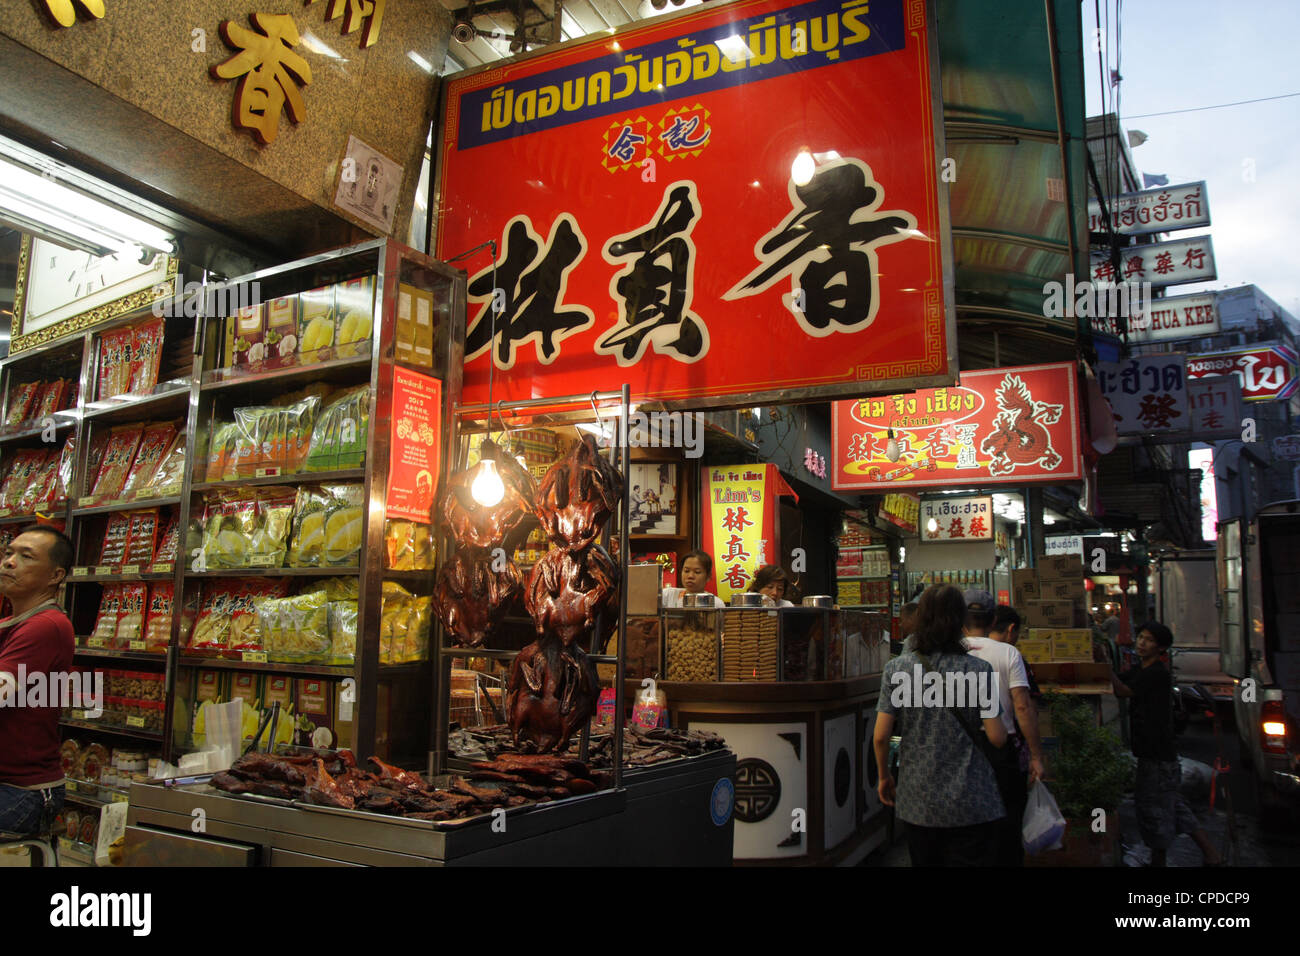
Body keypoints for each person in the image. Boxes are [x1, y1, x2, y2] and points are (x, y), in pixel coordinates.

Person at [874, 585, 1007, 866]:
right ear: (960, 621)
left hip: (918, 798)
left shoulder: (897, 669)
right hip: (972, 797)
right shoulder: (979, 670)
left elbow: (881, 736)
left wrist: (884, 775)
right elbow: (997, 737)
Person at [1107, 621, 1223, 867]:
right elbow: (1122, 679)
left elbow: (1123, 691)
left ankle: (1161, 861)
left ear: (1160, 647)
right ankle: (1211, 855)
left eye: (1148, 640)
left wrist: (1104, 668)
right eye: (1140, 638)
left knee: (1154, 809)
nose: (1141, 643)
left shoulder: (1156, 673)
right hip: (1156, 752)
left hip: (1157, 754)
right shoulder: (1143, 668)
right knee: (1173, 805)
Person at [0, 526, 75, 839]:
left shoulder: (46, 625)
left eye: (25, 556)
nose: (9, 562)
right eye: (8, 553)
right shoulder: (13, 623)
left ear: (55, 575)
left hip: (20, 791)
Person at [962, 590, 1045, 866]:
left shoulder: (950, 652)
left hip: (961, 748)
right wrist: (1035, 755)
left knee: (969, 827)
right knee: (1007, 825)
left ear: (962, 619)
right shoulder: (1008, 653)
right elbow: (1022, 706)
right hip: (1002, 750)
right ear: (992, 618)